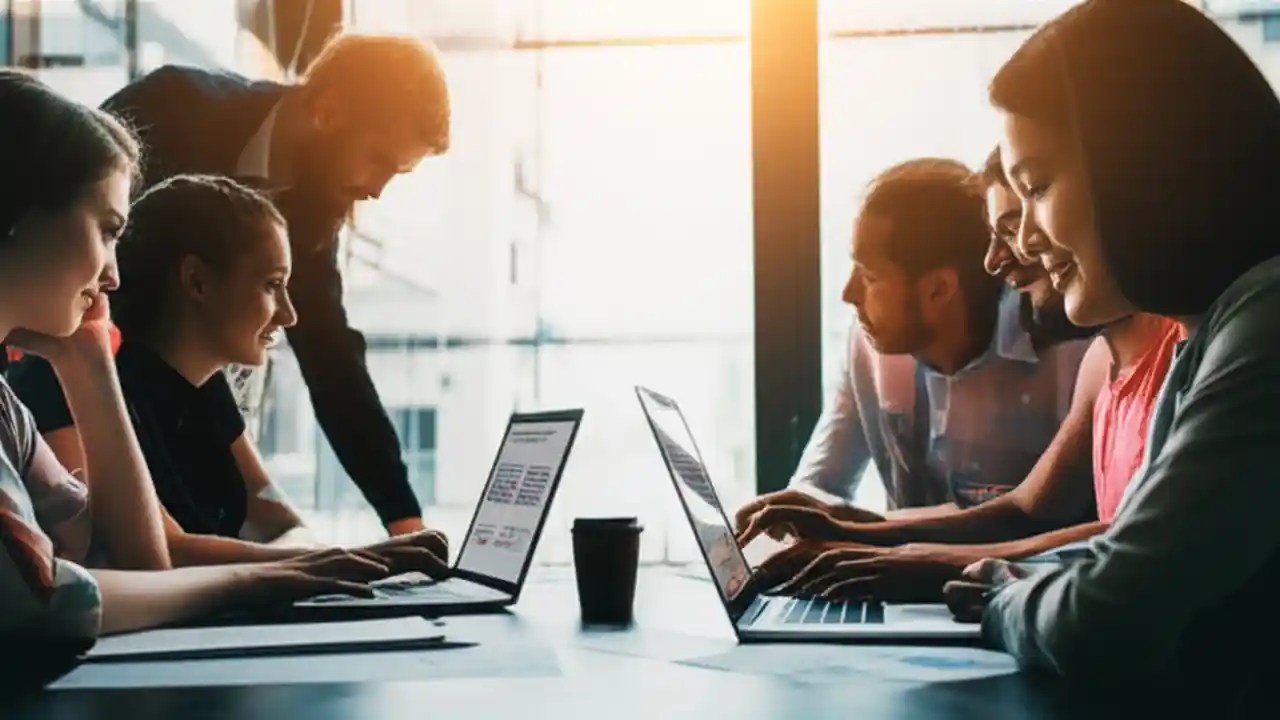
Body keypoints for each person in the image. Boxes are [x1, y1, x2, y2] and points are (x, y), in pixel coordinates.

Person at [936, 0, 1280, 698]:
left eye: (1035, 187)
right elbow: (1131, 561)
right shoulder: (1209, 335)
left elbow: (1105, 616)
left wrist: (1004, 601)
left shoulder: (1267, 326)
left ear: (1140, 162)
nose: (1026, 238)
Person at [0, 71, 406, 645]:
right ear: (20, 214)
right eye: (109, 229)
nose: (113, 275)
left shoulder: (8, 410)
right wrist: (256, 578)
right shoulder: (35, 395)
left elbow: (132, 561)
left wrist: (88, 360)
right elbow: (52, 601)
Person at [738, 148, 1182, 602]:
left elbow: (1133, 539)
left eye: (1025, 218)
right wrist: (854, 531)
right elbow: (1025, 509)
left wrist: (918, 558)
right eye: (1007, 229)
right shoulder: (1101, 359)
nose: (1004, 259)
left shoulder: (1101, 347)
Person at [100, 32, 451, 536]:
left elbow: (331, 356)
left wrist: (403, 520)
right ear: (328, 111)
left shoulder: (317, 205)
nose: (377, 189)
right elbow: (70, 216)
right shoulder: (172, 110)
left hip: (213, 453)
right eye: (378, 159)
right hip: (101, 422)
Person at [9, 175, 448, 570]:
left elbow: (278, 519)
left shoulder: (207, 389)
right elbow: (148, 550)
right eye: (272, 285)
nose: (290, 316)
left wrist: (323, 559)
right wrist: (341, 558)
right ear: (197, 282)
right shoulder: (64, 377)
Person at [733, 158, 1091, 533]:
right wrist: (790, 511)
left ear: (939, 289)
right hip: (892, 582)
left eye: (869, 277)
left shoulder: (1067, 353)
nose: (848, 294)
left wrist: (858, 527)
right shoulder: (868, 347)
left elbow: (1070, 527)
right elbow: (822, 484)